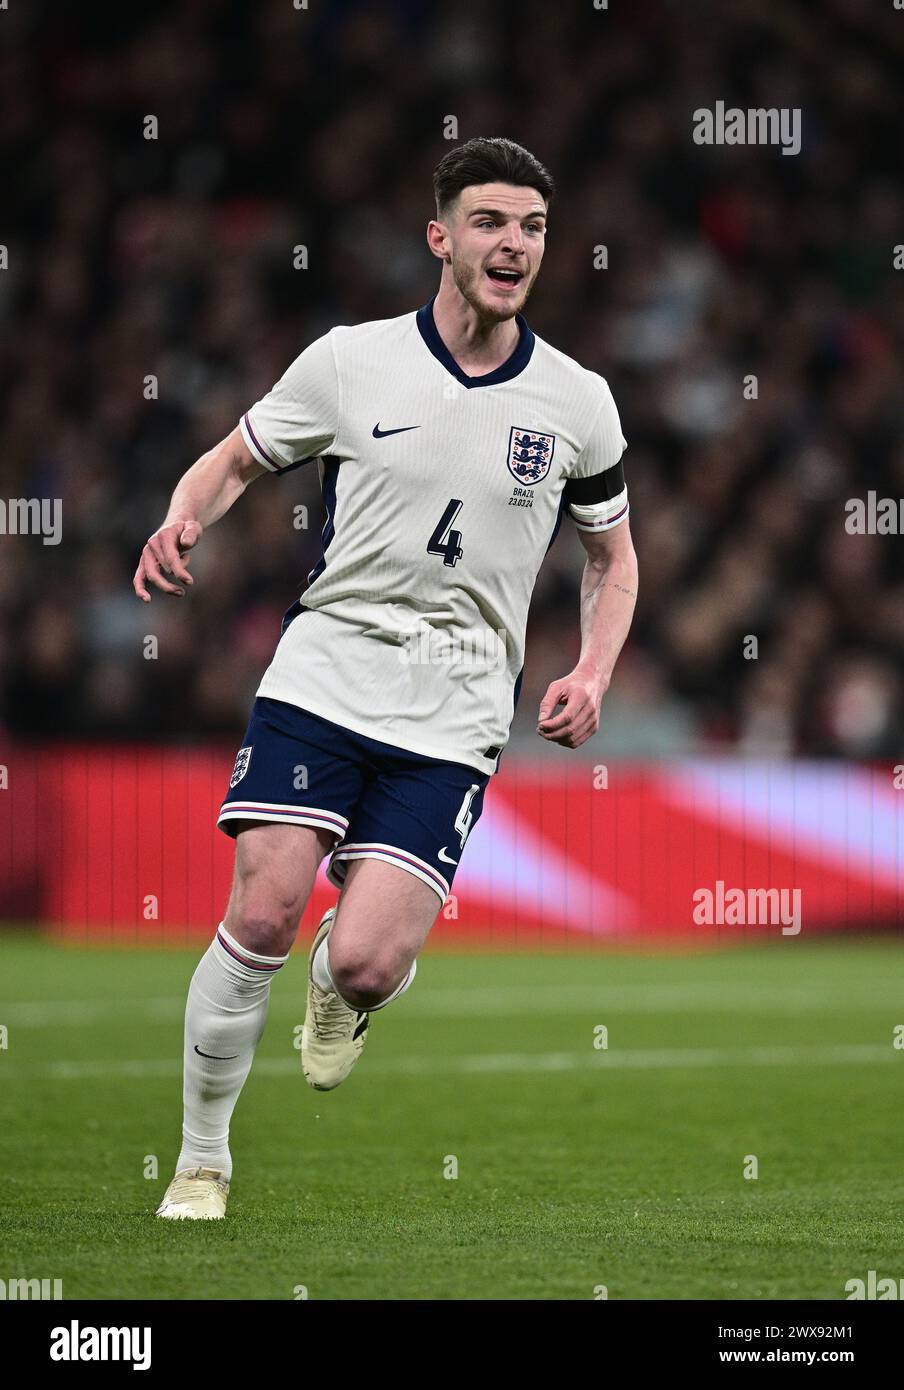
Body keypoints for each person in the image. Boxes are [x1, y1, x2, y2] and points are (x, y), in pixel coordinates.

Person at [133, 137, 638, 1220]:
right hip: (327, 669)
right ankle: (201, 1162)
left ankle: (338, 986)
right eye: (491, 222)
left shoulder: (578, 401)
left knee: (365, 964)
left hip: (457, 706)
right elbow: (233, 459)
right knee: (262, 910)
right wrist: (182, 518)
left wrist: (593, 669)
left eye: (533, 227)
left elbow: (613, 558)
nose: (514, 244)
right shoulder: (349, 361)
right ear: (440, 237)